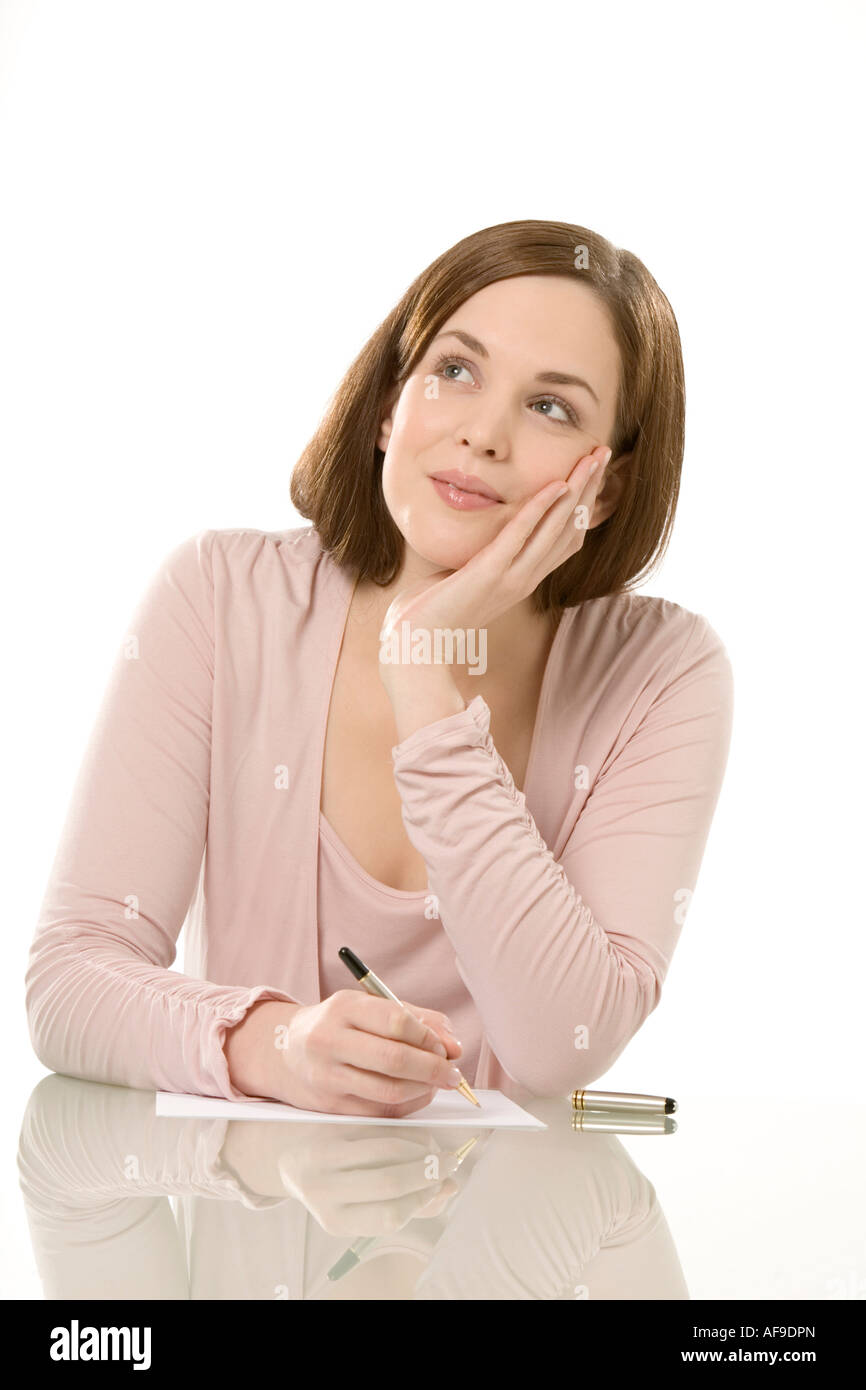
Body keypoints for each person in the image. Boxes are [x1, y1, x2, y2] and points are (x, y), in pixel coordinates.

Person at [26, 219, 734, 1117]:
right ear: (392, 403)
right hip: (251, 1243)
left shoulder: (663, 673)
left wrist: (423, 671)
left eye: (550, 407)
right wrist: (275, 1043)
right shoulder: (219, 596)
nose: (483, 435)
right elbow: (71, 983)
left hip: (514, 1244)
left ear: (611, 487)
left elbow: (562, 1048)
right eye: (455, 370)